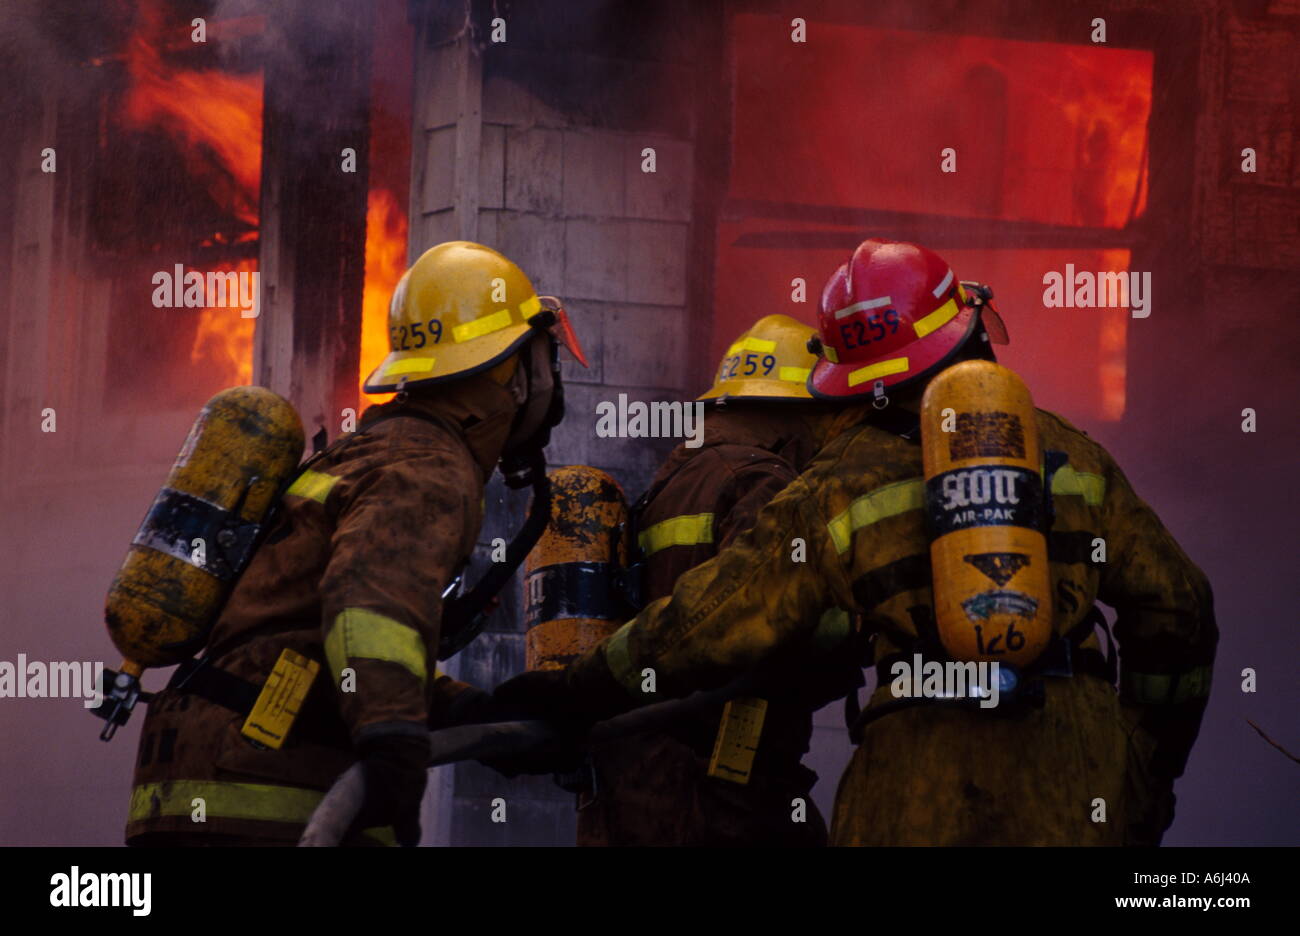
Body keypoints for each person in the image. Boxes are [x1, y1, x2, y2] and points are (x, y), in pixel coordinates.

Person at [497, 238, 1216, 846]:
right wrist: (1148, 760)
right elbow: (1180, 610)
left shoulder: (836, 485)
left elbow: (714, 618)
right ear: (965, 329)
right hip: (1079, 769)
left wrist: (580, 689)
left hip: (914, 779)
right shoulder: (1072, 457)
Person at [126, 241, 586, 846]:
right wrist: (393, 742)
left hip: (192, 779)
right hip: (268, 790)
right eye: (541, 360)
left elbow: (308, 639)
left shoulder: (366, 451)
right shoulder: (427, 467)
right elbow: (369, 606)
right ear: (512, 372)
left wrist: (469, 715)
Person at [579, 314, 858, 847]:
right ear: (798, 413)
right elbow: (763, 622)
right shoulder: (763, 480)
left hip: (641, 777)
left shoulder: (674, 481)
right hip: (724, 788)